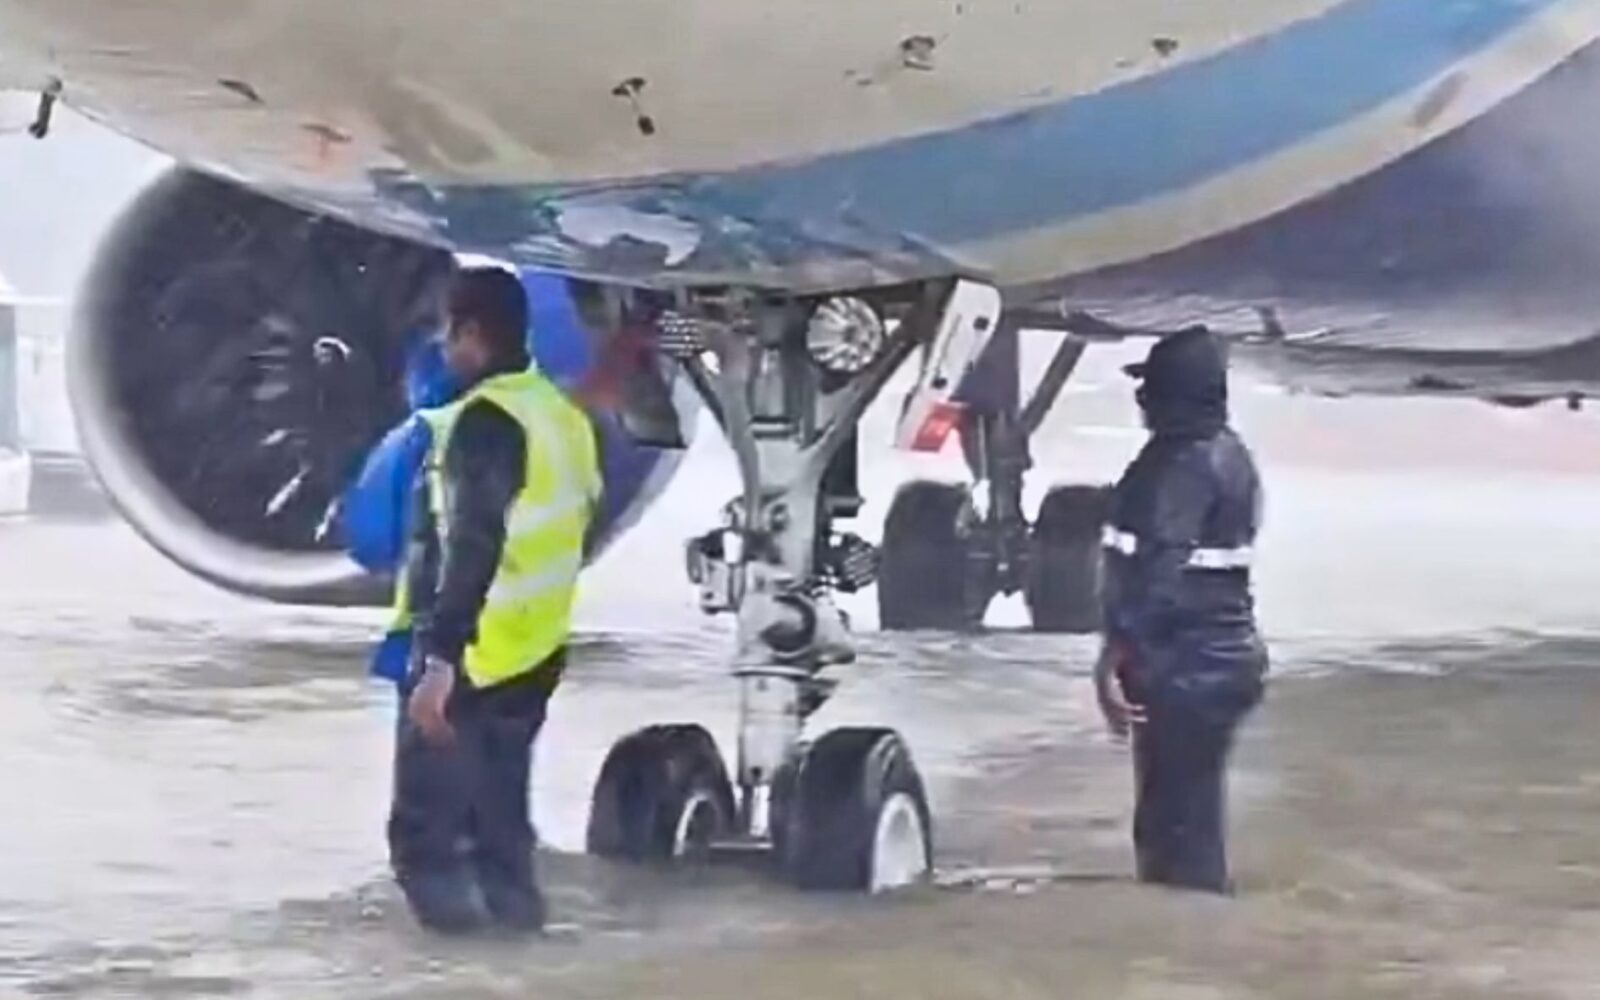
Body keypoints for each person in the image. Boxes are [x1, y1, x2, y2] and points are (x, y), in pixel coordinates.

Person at [385, 265, 602, 934]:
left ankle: (463, 975)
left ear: (472, 333)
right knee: (501, 841)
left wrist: (442, 661)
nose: (445, 350)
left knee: (427, 844)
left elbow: (474, 544)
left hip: (473, 662)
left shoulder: (486, 421)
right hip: (533, 656)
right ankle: (519, 963)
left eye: (449, 335)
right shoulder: (562, 418)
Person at [1094, 326, 1268, 895]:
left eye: (1150, 389)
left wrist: (1117, 658)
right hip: (1221, 660)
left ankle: (1192, 947)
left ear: (1171, 395)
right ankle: (1192, 942)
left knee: (1173, 834)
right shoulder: (1228, 451)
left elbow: (1157, 576)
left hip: (1185, 665)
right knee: (1187, 819)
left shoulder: (1178, 465)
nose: (1140, 401)